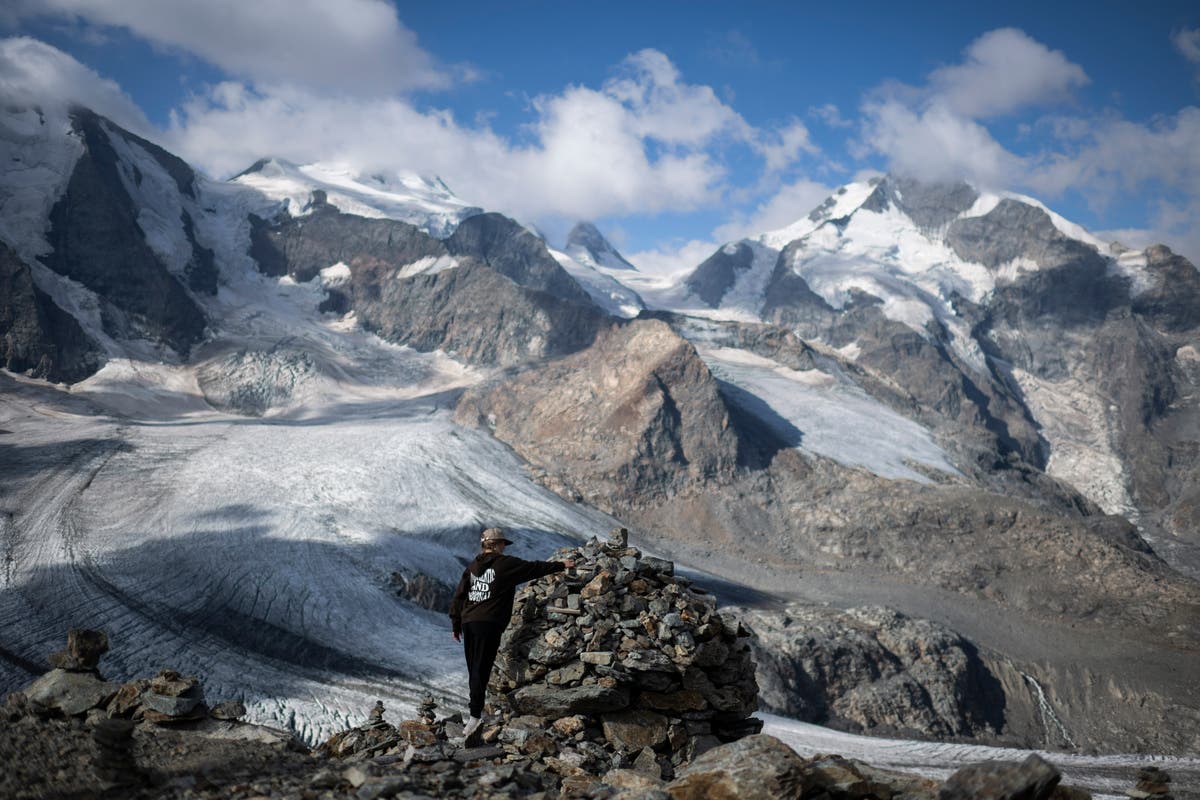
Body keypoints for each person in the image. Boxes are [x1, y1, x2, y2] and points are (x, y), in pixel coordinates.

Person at [449, 527, 574, 743]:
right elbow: (533, 568)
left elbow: (460, 595)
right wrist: (561, 565)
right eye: (502, 544)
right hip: (488, 622)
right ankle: (475, 716)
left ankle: (475, 714)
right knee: (482, 667)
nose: (504, 547)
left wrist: (455, 623)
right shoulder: (505, 565)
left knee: (474, 668)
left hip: (469, 622)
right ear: (496, 545)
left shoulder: (472, 567)